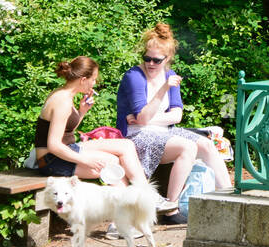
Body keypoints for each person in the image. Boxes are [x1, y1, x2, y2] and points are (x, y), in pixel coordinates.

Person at [116, 23, 232, 204]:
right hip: (136, 135)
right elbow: (142, 119)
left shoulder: (171, 75)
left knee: (207, 145)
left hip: (163, 131)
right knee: (188, 147)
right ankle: (171, 204)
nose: (150, 64)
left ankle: (228, 196)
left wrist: (145, 120)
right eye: (147, 58)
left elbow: (176, 116)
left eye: (156, 60)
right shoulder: (135, 77)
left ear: (167, 58)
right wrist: (162, 90)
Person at [35, 57, 149, 187]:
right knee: (112, 163)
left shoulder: (64, 93)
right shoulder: (62, 101)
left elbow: (66, 131)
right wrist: (86, 160)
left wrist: (82, 111)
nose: (94, 83)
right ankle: (131, 200)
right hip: (50, 161)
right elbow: (54, 145)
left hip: (65, 149)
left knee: (126, 145)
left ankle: (144, 193)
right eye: (93, 79)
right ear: (83, 80)